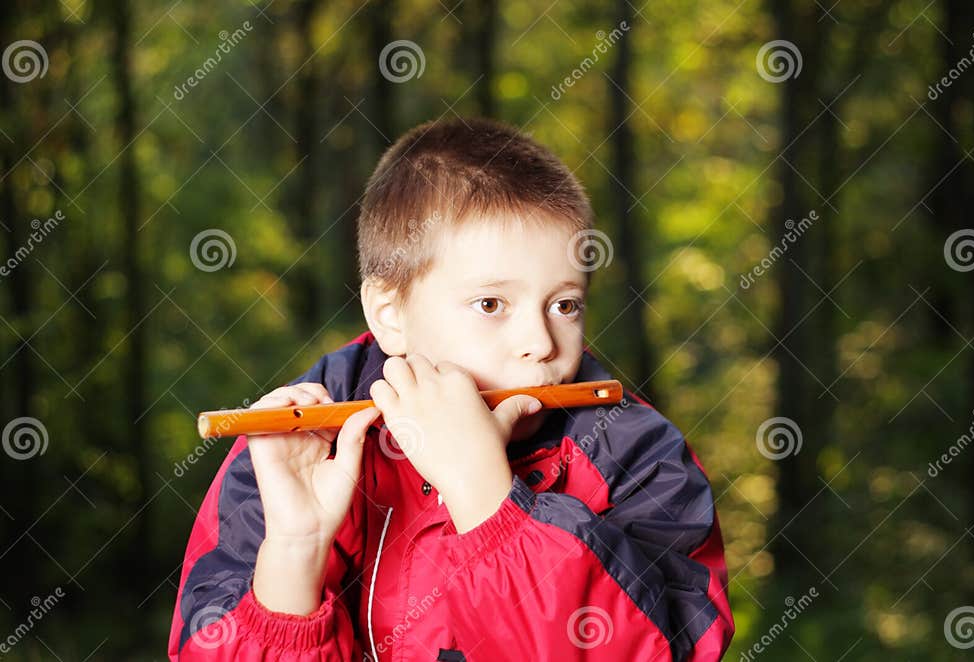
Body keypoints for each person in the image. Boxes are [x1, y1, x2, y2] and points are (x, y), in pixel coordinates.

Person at [167, 117, 734, 661]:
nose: (541, 343)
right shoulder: (297, 449)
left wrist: (487, 497)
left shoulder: (638, 456)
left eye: (564, 305)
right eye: (491, 303)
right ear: (390, 315)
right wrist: (296, 551)